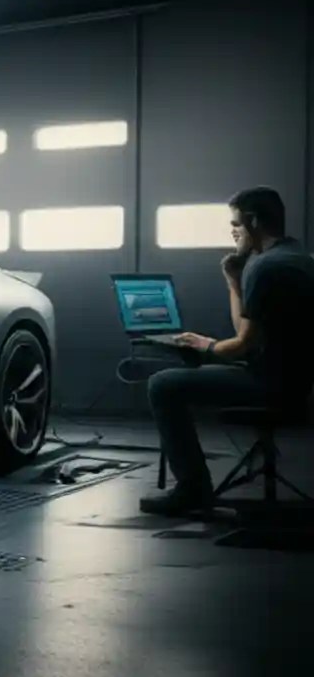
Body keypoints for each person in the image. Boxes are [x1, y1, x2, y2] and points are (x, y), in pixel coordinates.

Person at [140, 186, 314, 516]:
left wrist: (206, 346)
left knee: (162, 384)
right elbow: (248, 331)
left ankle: (192, 489)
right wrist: (234, 283)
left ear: (253, 221)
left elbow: (241, 343)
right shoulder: (299, 257)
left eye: (235, 223)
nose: (232, 231)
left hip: (270, 385)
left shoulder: (264, 268)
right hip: (299, 385)